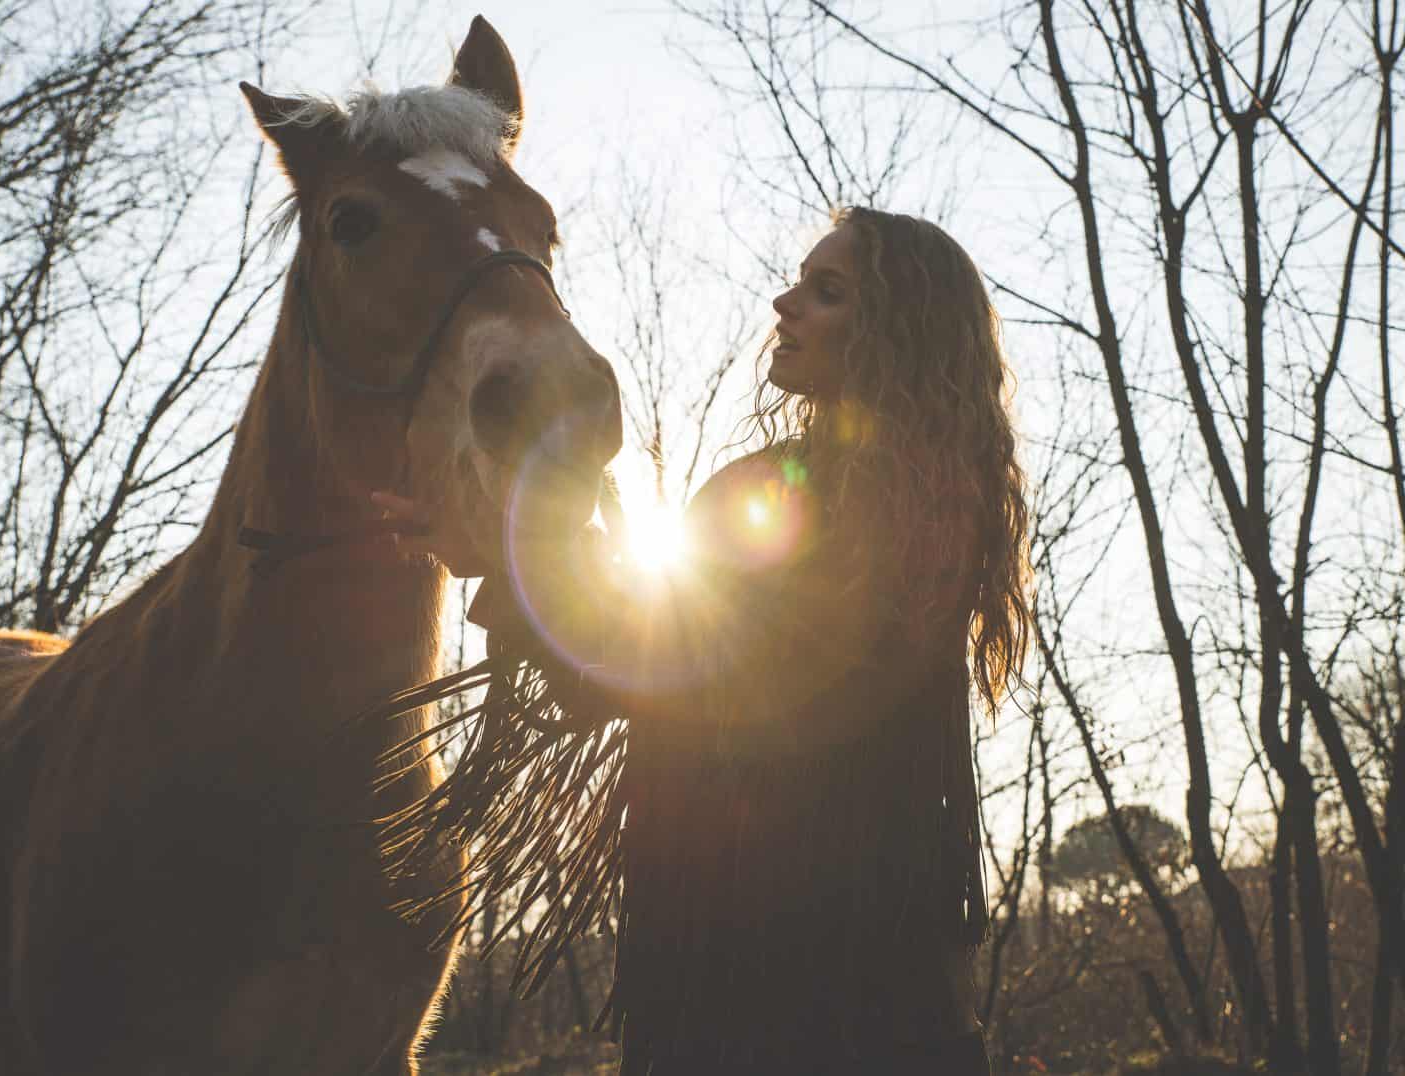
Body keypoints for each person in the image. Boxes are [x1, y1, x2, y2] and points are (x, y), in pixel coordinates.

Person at [372, 208, 1030, 1074]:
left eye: (826, 292)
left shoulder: (890, 508)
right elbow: (648, 665)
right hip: (778, 981)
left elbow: (698, 674)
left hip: (806, 985)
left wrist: (514, 551)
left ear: (897, 332)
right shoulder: (846, 493)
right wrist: (503, 547)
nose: (784, 303)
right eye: (798, 281)